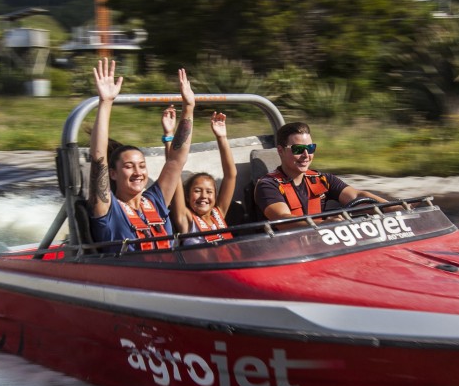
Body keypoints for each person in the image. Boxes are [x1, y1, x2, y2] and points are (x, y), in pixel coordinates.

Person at [87, 58, 195, 251]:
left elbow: (176, 160)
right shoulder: (108, 210)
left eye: (142, 166)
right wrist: (105, 102)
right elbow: (99, 159)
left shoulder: (156, 200)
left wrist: (188, 108)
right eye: (129, 167)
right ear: (113, 173)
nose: (138, 172)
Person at [254, 121, 386, 226]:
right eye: (299, 149)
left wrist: (399, 207)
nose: (306, 155)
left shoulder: (322, 179)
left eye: (310, 148)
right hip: (282, 252)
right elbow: (283, 220)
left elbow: (357, 196)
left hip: (320, 246)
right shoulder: (268, 186)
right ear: (280, 151)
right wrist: (323, 224)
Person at [168, 111, 237, 245]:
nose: (203, 196)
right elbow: (173, 173)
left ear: (216, 196)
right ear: (187, 196)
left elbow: (231, 175)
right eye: (197, 191)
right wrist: (169, 137)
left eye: (209, 192)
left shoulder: (219, 213)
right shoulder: (186, 219)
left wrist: (221, 137)